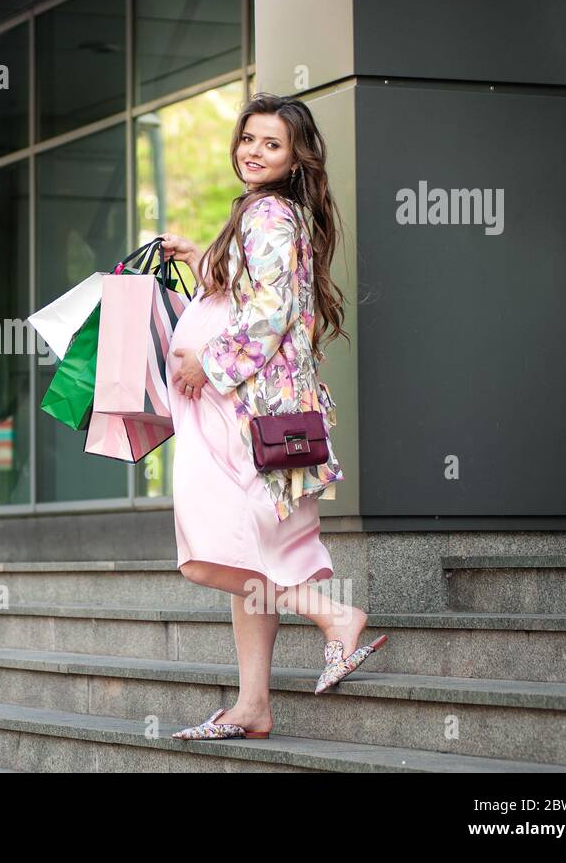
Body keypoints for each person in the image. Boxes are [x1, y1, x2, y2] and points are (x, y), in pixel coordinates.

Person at [158, 92, 387, 741]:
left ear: (294, 158)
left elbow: (270, 309)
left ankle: (335, 617)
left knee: (215, 546)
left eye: (271, 144)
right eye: (248, 139)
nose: (253, 151)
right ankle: (253, 703)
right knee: (249, 552)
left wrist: (211, 363)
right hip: (269, 418)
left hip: (253, 416)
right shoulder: (265, 215)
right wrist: (197, 255)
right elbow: (256, 285)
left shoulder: (268, 214)